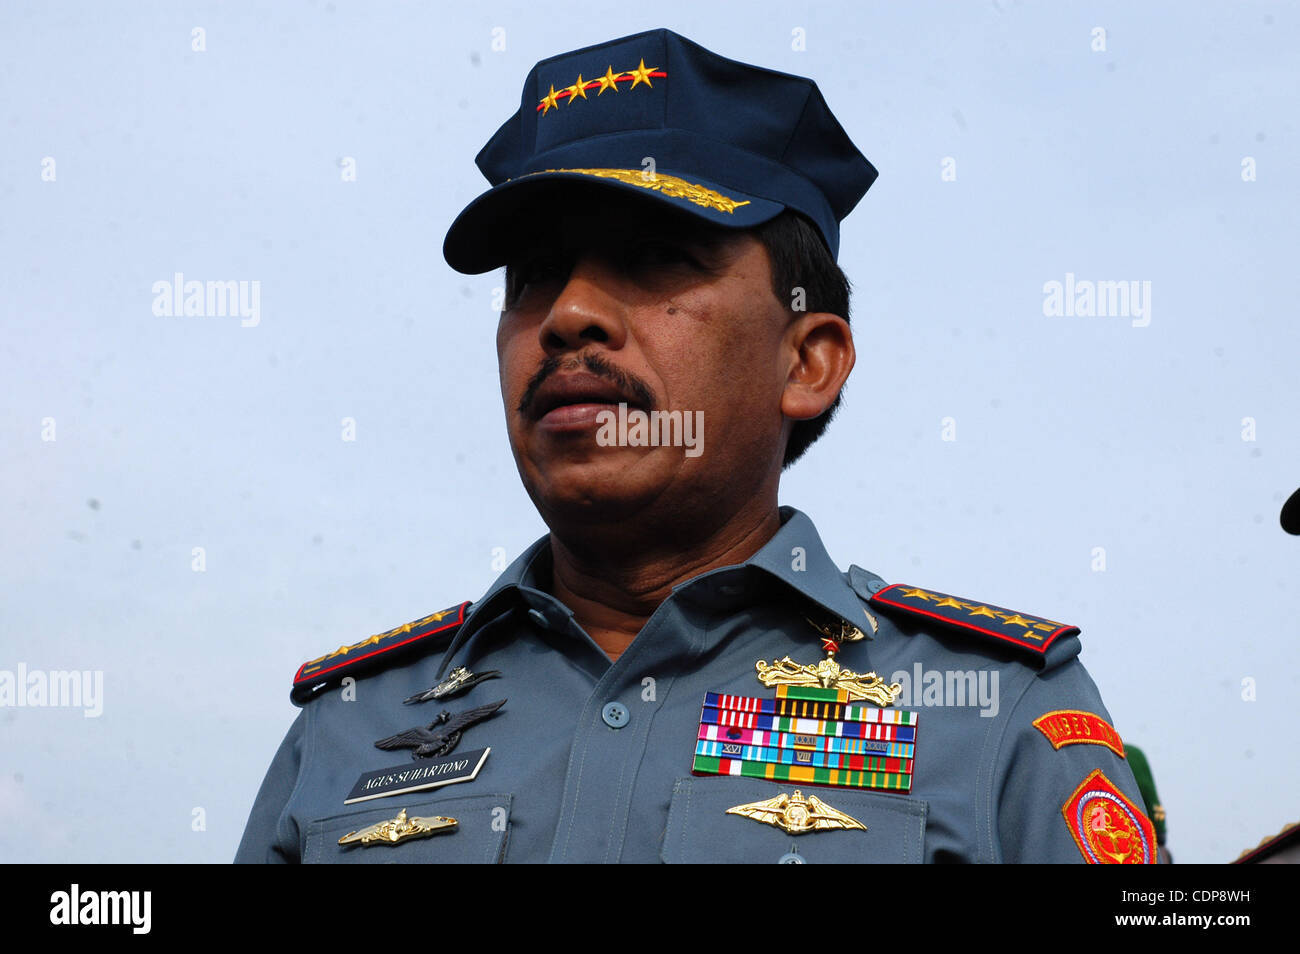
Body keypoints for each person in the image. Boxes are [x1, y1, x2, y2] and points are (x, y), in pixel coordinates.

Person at [235, 27, 1155, 863]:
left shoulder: (993, 716)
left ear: (809, 361)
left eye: (655, 261)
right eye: (535, 278)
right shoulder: (350, 724)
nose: (568, 316)